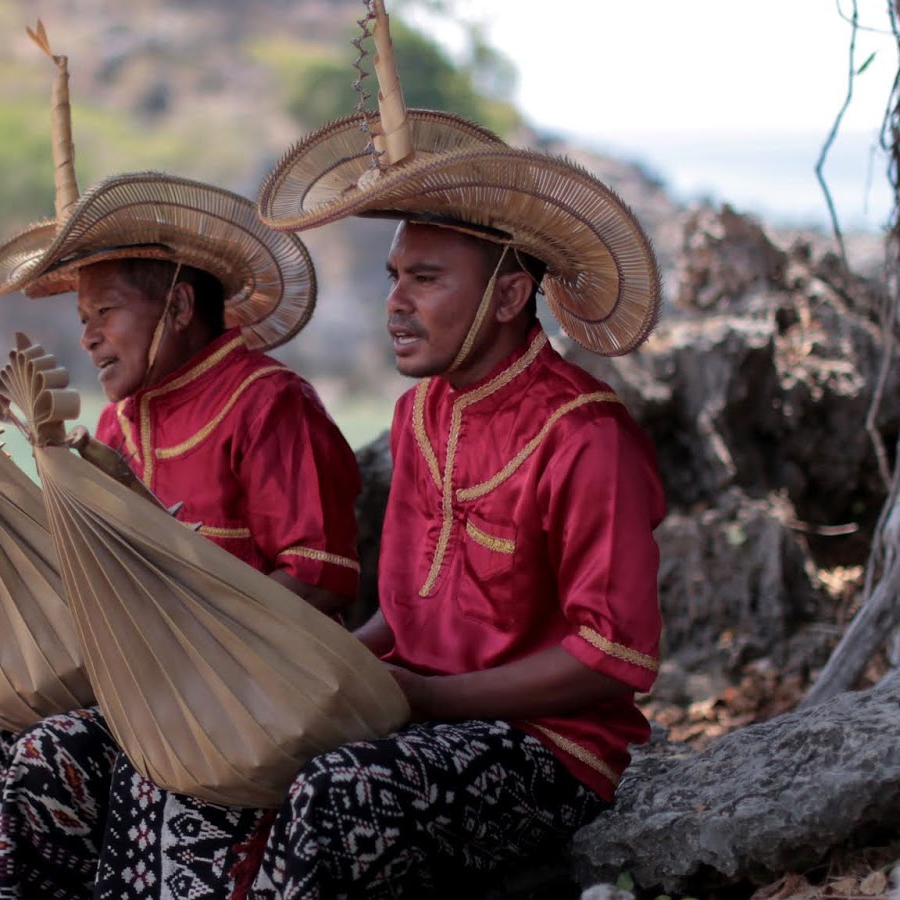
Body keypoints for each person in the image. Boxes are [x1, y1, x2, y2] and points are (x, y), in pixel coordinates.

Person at [90, 6, 669, 898]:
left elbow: (611, 657)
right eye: (396, 277)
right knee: (200, 761)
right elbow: (399, 615)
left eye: (427, 280)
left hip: (557, 752)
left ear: (511, 293)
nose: (398, 302)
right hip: (416, 717)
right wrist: (316, 684)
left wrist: (422, 700)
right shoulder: (419, 419)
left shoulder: (587, 435)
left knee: (333, 792)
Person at [0, 109, 364, 900]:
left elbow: (326, 582)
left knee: (51, 753)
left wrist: (191, 630)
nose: (89, 338)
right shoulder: (115, 425)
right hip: (138, 683)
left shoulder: (269, 404)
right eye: (83, 319)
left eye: (107, 314)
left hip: (245, 698)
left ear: (178, 309)